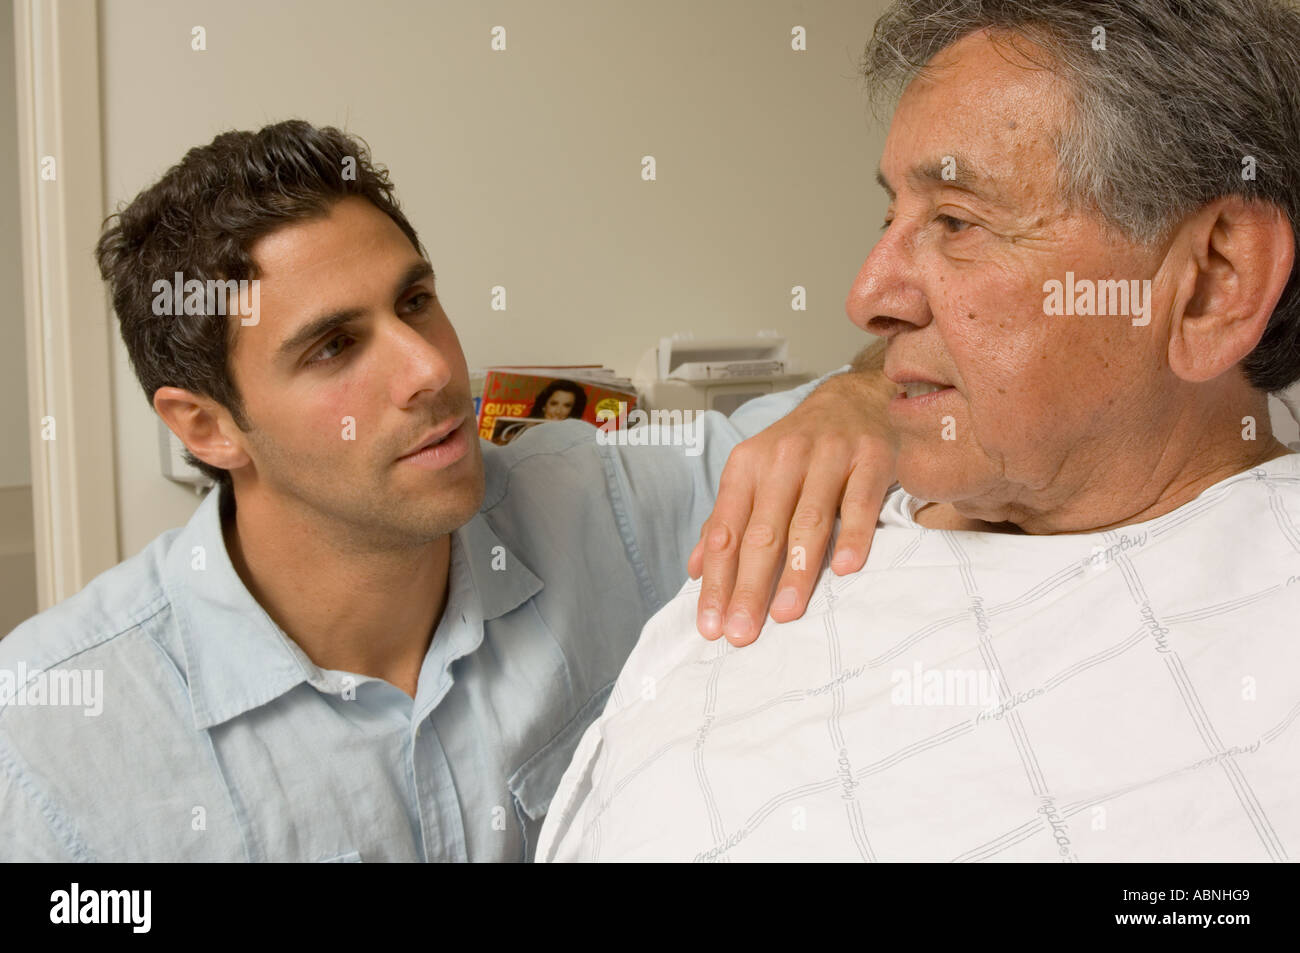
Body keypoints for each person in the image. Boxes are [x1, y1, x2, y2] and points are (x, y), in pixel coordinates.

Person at [0, 121, 898, 861]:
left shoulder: (598, 505)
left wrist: (854, 395)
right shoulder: (52, 739)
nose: (431, 369)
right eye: (334, 347)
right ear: (208, 427)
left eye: (417, 300)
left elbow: (868, 404)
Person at [538, 0, 1300, 862]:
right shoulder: (805, 513)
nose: (867, 296)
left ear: (1211, 283)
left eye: (957, 221)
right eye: (890, 218)